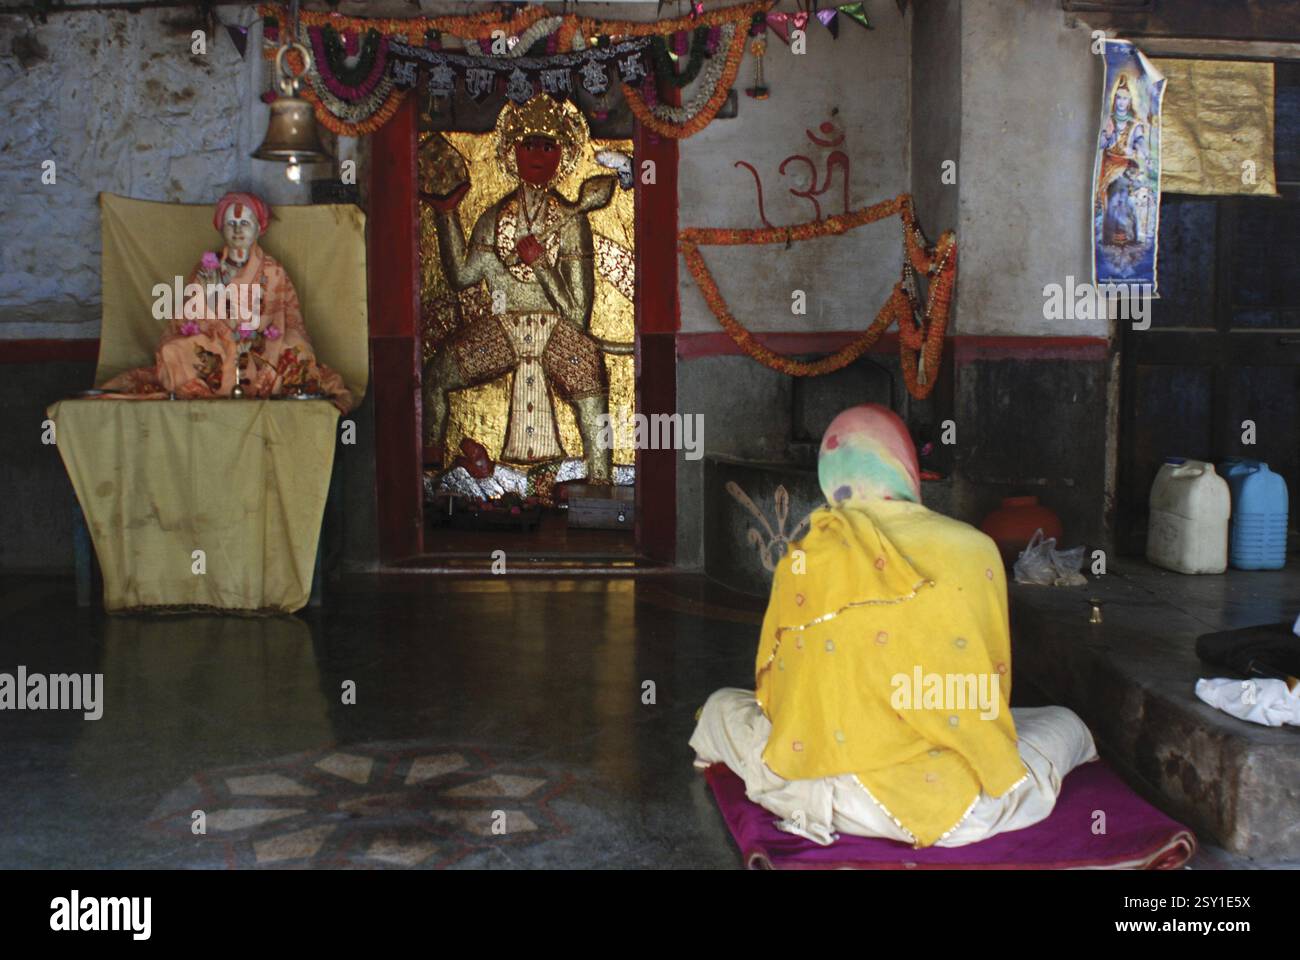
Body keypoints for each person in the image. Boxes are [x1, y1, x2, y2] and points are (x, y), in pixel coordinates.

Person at [691, 404, 1097, 848]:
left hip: (818, 791)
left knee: (722, 708)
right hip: (958, 809)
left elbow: (776, 697)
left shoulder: (802, 559)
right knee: (1066, 723)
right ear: (908, 469)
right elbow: (990, 689)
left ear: (830, 480)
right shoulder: (975, 549)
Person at [422, 95, 615, 482]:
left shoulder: (571, 221)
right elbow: (462, 275)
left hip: (556, 331)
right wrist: (446, 214)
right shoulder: (495, 217)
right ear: (512, 151)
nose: (539, 155)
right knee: (435, 377)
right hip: (504, 327)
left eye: (549, 146)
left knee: (592, 375)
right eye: (529, 144)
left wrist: (542, 265)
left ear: (563, 154)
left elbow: (577, 314)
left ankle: (601, 483)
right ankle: (429, 476)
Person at [101, 191, 353, 412]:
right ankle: (217, 386)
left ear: (259, 227)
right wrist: (222, 327)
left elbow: (284, 318)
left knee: (298, 350)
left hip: (263, 346)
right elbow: (190, 317)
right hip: (216, 345)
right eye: (231, 222)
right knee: (174, 352)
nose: (238, 229)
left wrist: (253, 335)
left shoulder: (272, 270)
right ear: (221, 227)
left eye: (245, 222)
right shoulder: (207, 268)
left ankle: (247, 380)